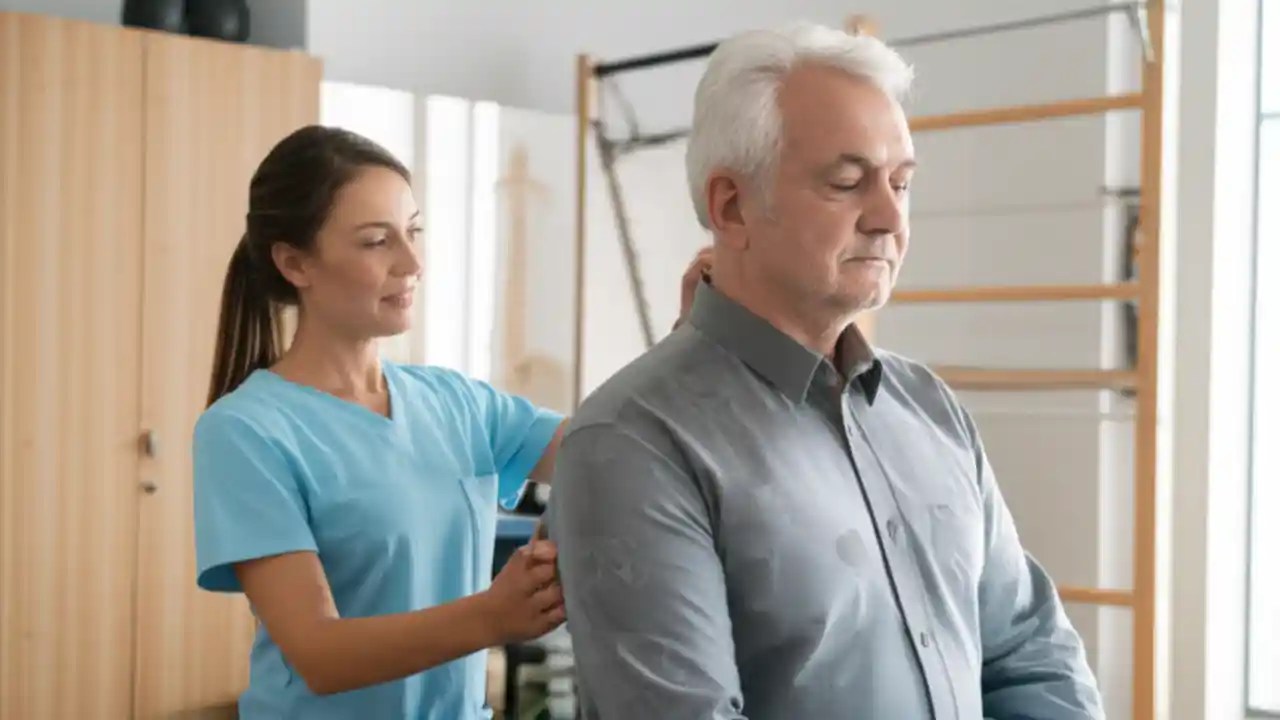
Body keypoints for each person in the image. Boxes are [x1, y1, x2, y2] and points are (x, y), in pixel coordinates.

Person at [547, 21, 1105, 720]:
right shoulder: (633, 443)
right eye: (847, 183)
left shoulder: (927, 407)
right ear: (731, 205)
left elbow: (1027, 651)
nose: (887, 217)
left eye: (901, 183)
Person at [191, 124, 706, 719]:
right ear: (295, 262)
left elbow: (617, 451)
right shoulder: (247, 432)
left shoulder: (455, 402)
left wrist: (690, 343)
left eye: (413, 232)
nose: (411, 262)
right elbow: (318, 653)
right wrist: (492, 615)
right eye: (375, 241)